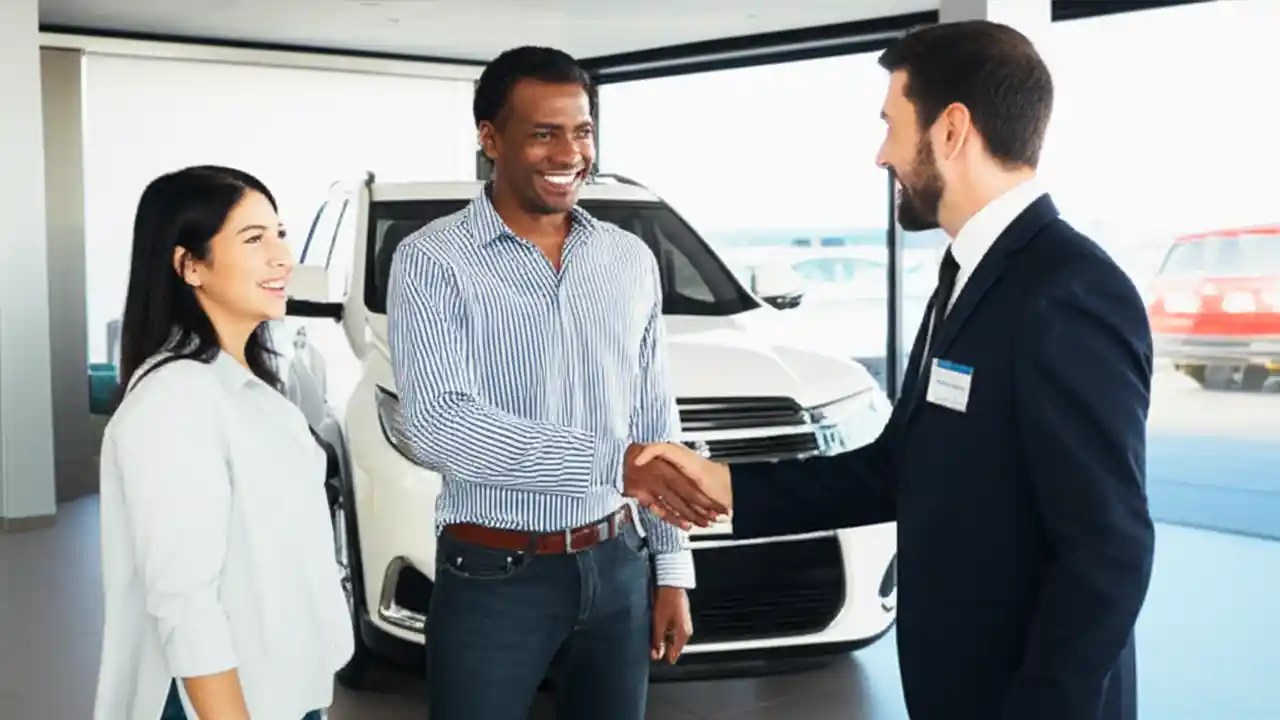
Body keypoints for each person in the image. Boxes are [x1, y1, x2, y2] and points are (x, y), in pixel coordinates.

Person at [634, 20, 1156, 720]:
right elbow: (900, 468)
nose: (881, 155)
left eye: (891, 125)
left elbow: (1109, 551)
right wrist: (721, 482)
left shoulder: (1067, 291)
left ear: (951, 130)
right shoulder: (965, 277)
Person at [385, 46, 724, 720]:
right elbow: (439, 425)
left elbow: (655, 417)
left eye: (582, 130)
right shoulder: (431, 261)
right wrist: (614, 464)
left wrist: (671, 569)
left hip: (619, 563)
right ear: (490, 139)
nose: (569, 153)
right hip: (493, 577)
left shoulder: (627, 259)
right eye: (544, 133)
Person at [94, 166, 353, 720]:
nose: (283, 258)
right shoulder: (174, 400)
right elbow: (186, 602)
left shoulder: (244, 385)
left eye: (280, 234)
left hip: (282, 691)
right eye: (254, 239)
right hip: (221, 702)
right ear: (190, 265)